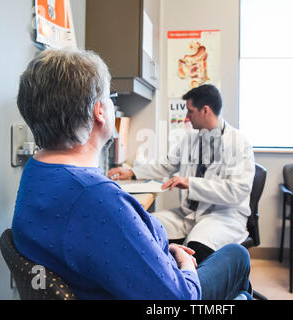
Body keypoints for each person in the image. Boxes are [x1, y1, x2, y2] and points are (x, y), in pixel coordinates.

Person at [12, 48, 252, 300]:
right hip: (174, 287)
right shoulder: (98, 198)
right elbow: (177, 299)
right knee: (237, 257)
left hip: (220, 216)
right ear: (99, 111)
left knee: (213, 248)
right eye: (110, 97)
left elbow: (237, 190)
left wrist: (153, 250)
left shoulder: (36, 170)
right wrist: (186, 266)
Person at [108, 84, 255, 264]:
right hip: (187, 215)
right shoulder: (191, 139)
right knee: (142, 226)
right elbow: (166, 164)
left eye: (190, 111)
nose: (186, 117)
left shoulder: (239, 144)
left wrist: (190, 183)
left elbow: (236, 191)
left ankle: (193, 289)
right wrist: (131, 172)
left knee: (196, 248)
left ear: (205, 111)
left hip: (222, 217)